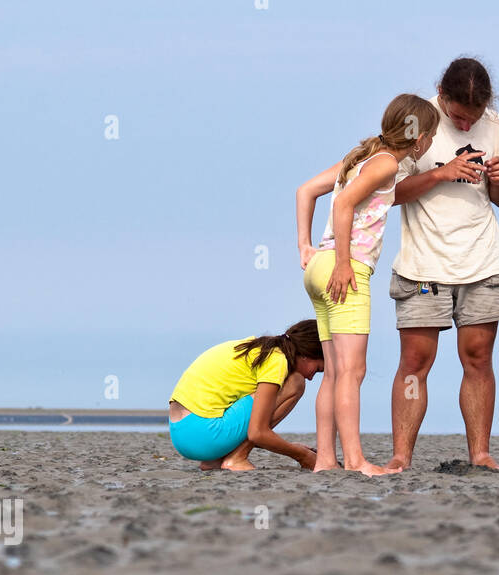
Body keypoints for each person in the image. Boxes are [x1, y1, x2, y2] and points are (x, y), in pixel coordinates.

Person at [387, 57, 499, 472]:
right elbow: (389, 192)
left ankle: (481, 454)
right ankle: (401, 456)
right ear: (441, 95)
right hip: (423, 264)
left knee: (478, 359)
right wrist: (440, 173)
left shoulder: (497, 127)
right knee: (415, 363)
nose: (466, 126)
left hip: (483, 261)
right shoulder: (416, 121)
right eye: (459, 117)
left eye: (473, 119)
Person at [297, 95, 439, 476]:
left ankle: (326, 460)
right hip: (345, 268)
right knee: (352, 372)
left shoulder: (360, 158)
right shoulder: (387, 163)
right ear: (420, 139)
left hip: (319, 267)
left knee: (334, 372)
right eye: (431, 136)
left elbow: (305, 190)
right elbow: (343, 204)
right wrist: (344, 262)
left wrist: (305, 247)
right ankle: (356, 461)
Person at [168, 322, 324, 472]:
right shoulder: (276, 361)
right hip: (205, 435)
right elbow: (257, 433)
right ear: (306, 355)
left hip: (180, 435)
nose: (311, 378)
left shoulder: (258, 348)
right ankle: (237, 458)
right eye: (317, 369)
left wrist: (289, 446)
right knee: (296, 382)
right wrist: (303, 455)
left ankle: (215, 460)